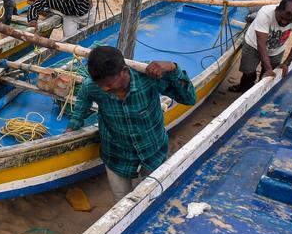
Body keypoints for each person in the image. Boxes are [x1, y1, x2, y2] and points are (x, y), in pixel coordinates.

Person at [67, 46, 197, 200]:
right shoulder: (93, 86)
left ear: (124, 70)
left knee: (153, 197)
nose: (104, 88)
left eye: (109, 83)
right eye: (100, 84)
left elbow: (189, 99)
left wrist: (173, 69)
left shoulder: (149, 77)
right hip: (116, 155)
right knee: (121, 201)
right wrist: (73, 126)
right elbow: (83, 99)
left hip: (153, 152)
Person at [229, 0, 292, 92]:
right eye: (282, 18)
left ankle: (258, 91)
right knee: (248, 73)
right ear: (276, 10)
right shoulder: (265, 13)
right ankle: (244, 88)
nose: (284, 22)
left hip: (277, 49)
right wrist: (268, 69)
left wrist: (287, 63)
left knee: (267, 77)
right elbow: (261, 43)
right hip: (253, 43)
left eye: (289, 21)